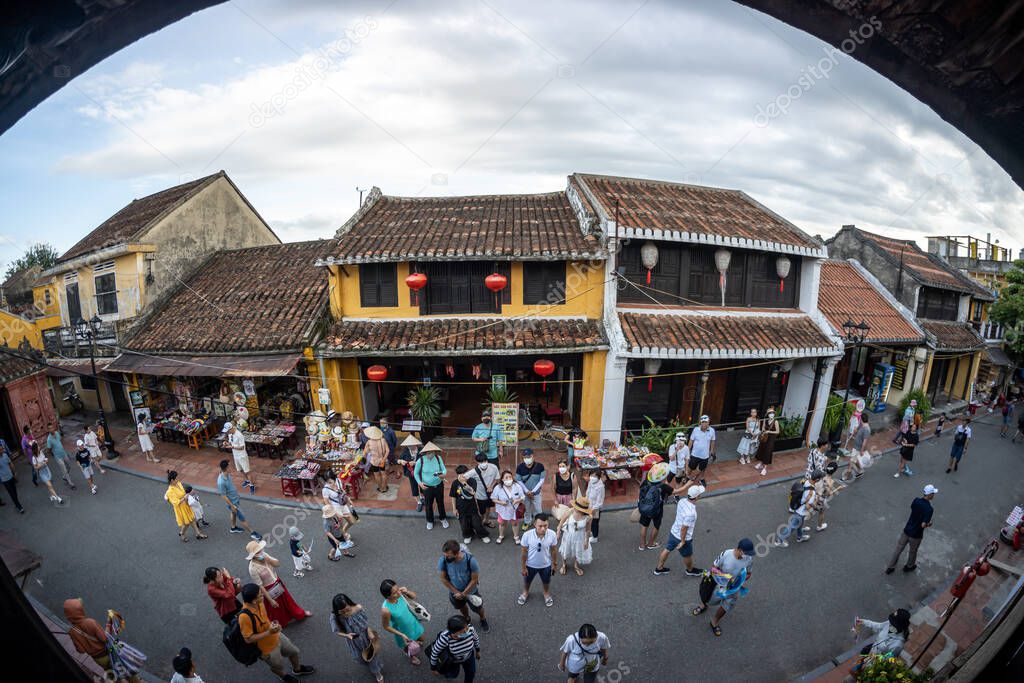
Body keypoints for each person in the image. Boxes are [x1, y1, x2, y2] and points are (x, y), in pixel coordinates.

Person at [237, 582, 315, 682]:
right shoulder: (244, 617)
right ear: (253, 601)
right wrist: (269, 632)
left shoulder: (259, 603)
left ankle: (297, 669)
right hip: (266, 649)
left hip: (276, 635)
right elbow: (248, 639)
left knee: (294, 652)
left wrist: (273, 626)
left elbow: (265, 619)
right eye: (260, 595)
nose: (263, 596)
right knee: (277, 666)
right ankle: (283, 676)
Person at [63, 598, 142, 683]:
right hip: (109, 652)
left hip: (98, 659)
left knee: (112, 673)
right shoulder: (90, 622)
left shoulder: (72, 632)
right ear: (80, 611)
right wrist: (108, 625)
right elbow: (104, 639)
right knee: (124, 668)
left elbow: (80, 650)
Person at [692, 538, 756, 637]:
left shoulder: (749, 559)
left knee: (727, 605)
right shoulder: (726, 554)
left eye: (749, 553)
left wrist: (740, 580)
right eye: (746, 553)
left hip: (733, 588)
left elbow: (748, 573)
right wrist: (726, 577)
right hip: (718, 583)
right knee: (707, 597)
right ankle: (703, 605)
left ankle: (714, 622)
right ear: (739, 549)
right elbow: (713, 568)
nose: (747, 555)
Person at [246, 540, 311, 625]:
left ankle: (299, 613)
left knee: (287, 600)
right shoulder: (252, 568)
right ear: (253, 555)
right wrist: (270, 600)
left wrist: (268, 559)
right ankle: (281, 622)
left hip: (277, 581)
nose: (261, 552)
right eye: (258, 552)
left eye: (260, 550)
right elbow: (260, 586)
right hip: (268, 588)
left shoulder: (265, 555)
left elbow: (277, 564)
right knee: (275, 607)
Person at [329, 593, 384, 682]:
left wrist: (369, 631)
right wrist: (347, 635)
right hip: (354, 641)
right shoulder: (334, 616)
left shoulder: (358, 608)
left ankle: (377, 672)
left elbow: (365, 623)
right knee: (360, 657)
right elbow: (336, 631)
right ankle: (371, 666)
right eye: (342, 612)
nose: (346, 613)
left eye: (347, 610)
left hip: (366, 637)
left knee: (371, 656)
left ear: (349, 603)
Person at [654, 482, 704, 576]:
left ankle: (659, 568)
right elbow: (684, 528)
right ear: (697, 497)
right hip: (682, 537)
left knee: (667, 549)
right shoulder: (691, 513)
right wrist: (683, 541)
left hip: (673, 532)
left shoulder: (682, 501)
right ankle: (690, 570)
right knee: (687, 555)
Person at [439, 539, 490, 632]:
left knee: (478, 608)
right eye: (445, 555)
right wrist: (456, 592)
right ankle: (467, 618)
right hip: (455, 592)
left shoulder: (471, 560)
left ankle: (483, 619)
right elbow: (443, 578)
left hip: (471, 591)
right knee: (461, 606)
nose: (446, 558)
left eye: (448, 556)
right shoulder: (444, 560)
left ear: (457, 553)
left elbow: (474, 579)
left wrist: (463, 593)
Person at [885, 485, 937, 574]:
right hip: (916, 535)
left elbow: (913, 509)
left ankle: (890, 567)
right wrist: (929, 524)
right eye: (933, 493)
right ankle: (909, 566)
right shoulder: (929, 509)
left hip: (907, 530)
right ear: (929, 495)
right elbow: (923, 525)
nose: (934, 495)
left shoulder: (916, 500)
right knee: (913, 551)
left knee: (898, 549)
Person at [849, 610, 911, 678]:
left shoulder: (898, 645)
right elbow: (878, 625)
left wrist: (872, 660)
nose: (890, 622)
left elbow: (887, 660)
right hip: (870, 653)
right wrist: (864, 622)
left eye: (893, 622)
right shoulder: (890, 623)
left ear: (899, 625)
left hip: (875, 665)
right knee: (854, 671)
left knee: (862, 676)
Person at [379, 579, 426, 666]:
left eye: (397, 588)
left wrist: (407, 591)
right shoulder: (386, 610)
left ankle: (415, 646)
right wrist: (401, 635)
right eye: (394, 592)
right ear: (387, 596)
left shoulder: (400, 594)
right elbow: (386, 626)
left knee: (422, 639)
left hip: (414, 623)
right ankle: (412, 657)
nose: (399, 593)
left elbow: (414, 597)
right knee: (409, 648)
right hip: (403, 632)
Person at [518, 513, 558, 607]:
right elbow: (524, 552)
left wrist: (554, 564)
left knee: (546, 581)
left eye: (545, 526)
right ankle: (525, 592)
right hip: (530, 565)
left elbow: (553, 550)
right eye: (540, 526)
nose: (543, 528)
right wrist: (523, 567)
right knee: (527, 581)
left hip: (546, 565)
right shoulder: (527, 535)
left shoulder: (552, 534)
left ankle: (546, 593)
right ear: (535, 524)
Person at [217, 459, 262, 540]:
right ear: (226, 468)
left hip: (235, 499)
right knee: (242, 518)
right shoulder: (221, 482)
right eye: (230, 466)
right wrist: (232, 506)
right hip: (233, 503)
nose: (231, 467)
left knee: (233, 513)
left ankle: (233, 528)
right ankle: (253, 533)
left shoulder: (226, 474)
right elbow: (223, 496)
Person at [637, 462, 677, 550]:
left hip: (645, 506)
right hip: (657, 509)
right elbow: (677, 491)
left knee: (644, 525)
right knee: (656, 525)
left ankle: (642, 545)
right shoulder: (663, 486)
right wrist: (688, 485)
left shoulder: (646, 481)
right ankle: (651, 544)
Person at [429, 614, 481, 681]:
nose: (466, 632)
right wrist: (433, 668)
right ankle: (446, 674)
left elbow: (476, 639)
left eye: (466, 628)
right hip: (453, 661)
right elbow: (435, 652)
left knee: (471, 673)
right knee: (452, 674)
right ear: (453, 632)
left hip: (469, 657)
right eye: (462, 631)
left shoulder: (470, 628)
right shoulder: (445, 637)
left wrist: (478, 650)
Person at [773, 476, 817, 548]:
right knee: (791, 527)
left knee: (800, 524)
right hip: (801, 512)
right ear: (817, 479)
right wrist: (814, 503)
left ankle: (800, 537)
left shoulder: (806, 481)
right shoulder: (812, 493)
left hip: (797, 507)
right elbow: (807, 507)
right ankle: (779, 540)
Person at [450, 465, 490, 544]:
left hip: (472, 507)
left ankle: (483, 535)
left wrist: (464, 483)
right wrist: (454, 508)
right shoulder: (455, 483)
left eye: (464, 473)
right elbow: (453, 496)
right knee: (464, 524)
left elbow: (472, 492)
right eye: (459, 474)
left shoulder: (472, 481)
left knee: (477, 523)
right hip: (461, 508)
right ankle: (468, 535)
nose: (461, 476)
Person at [414, 441, 449, 530]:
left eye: (432, 452)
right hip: (427, 487)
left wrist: (443, 474)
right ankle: (430, 521)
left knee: (440, 502)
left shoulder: (438, 458)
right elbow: (416, 473)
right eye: (429, 452)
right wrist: (420, 483)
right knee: (428, 505)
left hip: (438, 485)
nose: (431, 454)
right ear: (425, 453)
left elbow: (444, 469)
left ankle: (443, 518)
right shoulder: (420, 460)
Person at [556, 496, 593, 576]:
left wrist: (586, 541)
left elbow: (588, 530)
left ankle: (576, 565)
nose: (575, 508)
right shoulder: (571, 511)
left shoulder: (588, 517)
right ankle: (564, 564)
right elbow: (561, 522)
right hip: (568, 535)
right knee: (566, 549)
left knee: (577, 550)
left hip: (580, 537)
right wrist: (558, 531)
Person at [165, 471, 207, 542]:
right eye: (176, 478)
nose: (178, 479)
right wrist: (185, 497)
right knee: (186, 523)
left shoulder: (178, 483)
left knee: (192, 519)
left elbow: (184, 492)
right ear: (172, 480)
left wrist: (189, 494)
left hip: (186, 505)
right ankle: (182, 534)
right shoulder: (170, 491)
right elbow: (176, 503)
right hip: (181, 508)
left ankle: (198, 534)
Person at [491, 470, 526, 544]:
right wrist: (501, 502)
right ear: (502, 479)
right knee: (502, 523)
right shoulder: (498, 487)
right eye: (506, 477)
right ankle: (501, 536)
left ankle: (516, 537)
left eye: (510, 477)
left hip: (514, 509)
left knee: (515, 523)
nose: (508, 479)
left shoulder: (517, 486)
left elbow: (523, 497)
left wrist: (517, 500)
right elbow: (493, 498)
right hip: (502, 510)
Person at [515, 449, 546, 530]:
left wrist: (533, 491)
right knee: (527, 509)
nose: (527, 458)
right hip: (525, 494)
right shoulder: (520, 467)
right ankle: (527, 522)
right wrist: (526, 491)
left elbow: (542, 480)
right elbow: (518, 480)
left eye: (529, 456)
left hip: (536, 493)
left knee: (538, 509)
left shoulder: (540, 466)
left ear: (533, 456)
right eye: (525, 457)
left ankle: (538, 523)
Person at [322, 475, 358, 543]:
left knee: (352, 521)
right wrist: (335, 513)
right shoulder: (325, 489)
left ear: (334, 479)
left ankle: (343, 532)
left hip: (343, 505)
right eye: (327, 482)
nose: (329, 484)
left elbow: (342, 491)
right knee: (340, 526)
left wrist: (348, 499)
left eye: (330, 482)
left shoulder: (338, 481)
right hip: (335, 508)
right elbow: (326, 502)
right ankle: (344, 538)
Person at [222, 422, 254, 494]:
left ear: (231, 429)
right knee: (240, 470)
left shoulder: (239, 435)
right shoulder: (230, 435)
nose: (227, 433)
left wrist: (232, 447)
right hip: (235, 455)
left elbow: (242, 447)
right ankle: (247, 481)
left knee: (247, 471)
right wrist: (226, 443)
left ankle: (252, 485)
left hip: (242, 456)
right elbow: (231, 443)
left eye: (227, 431)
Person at [471, 452, 500, 527]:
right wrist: (471, 490)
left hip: (490, 493)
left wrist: (491, 486)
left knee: (488, 507)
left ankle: (486, 521)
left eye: (484, 461)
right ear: (477, 462)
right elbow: (464, 478)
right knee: (481, 511)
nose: (483, 463)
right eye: (481, 462)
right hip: (480, 495)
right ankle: (480, 523)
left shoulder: (494, 467)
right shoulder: (474, 471)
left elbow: (497, 479)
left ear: (487, 460)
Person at [687, 415, 716, 484]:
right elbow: (691, 441)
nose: (704, 424)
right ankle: (687, 476)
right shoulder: (696, 430)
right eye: (703, 422)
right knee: (691, 467)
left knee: (703, 468)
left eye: (706, 422)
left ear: (709, 423)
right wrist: (687, 451)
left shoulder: (712, 430)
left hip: (705, 455)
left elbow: (713, 441)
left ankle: (701, 478)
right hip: (695, 454)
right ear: (700, 423)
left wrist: (711, 450)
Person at [46, 425, 76, 489]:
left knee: (69, 466)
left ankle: (64, 477)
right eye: (50, 428)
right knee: (64, 469)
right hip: (58, 457)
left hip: (63, 453)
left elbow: (60, 440)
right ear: (48, 430)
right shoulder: (49, 439)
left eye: (52, 427)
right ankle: (70, 483)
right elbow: (48, 449)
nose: (52, 429)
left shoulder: (57, 433)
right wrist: (53, 454)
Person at [398, 434, 423, 510]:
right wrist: (401, 461)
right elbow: (398, 460)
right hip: (411, 473)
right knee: (414, 487)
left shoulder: (421, 450)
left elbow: (424, 461)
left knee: (422, 485)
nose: (409, 447)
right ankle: (419, 502)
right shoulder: (405, 451)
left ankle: (422, 497)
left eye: (411, 445)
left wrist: (415, 463)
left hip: (420, 472)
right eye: (408, 445)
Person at [363, 425, 390, 495]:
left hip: (374, 461)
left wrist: (365, 457)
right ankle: (384, 488)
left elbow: (365, 452)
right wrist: (384, 459)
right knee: (383, 474)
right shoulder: (383, 440)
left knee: (377, 475)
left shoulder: (369, 442)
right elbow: (388, 451)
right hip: (382, 460)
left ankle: (380, 487)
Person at [0, 445, 25, 512]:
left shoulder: (5, 455)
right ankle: (19, 506)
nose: (2, 450)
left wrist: (14, 473)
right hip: (5, 480)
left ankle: (16, 502)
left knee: (14, 491)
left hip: (11, 476)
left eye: (2, 449)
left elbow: (10, 464)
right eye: (1, 449)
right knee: (11, 493)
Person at [754, 408, 779, 476]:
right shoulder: (765, 420)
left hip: (771, 438)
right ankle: (761, 463)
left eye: (773, 413)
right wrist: (763, 431)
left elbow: (777, 431)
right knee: (762, 450)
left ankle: (765, 468)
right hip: (765, 437)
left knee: (768, 451)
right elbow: (763, 428)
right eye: (770, 413)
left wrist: (769, 431)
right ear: (767, 415)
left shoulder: (775, 421)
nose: (771, 414)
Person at [584, 469, 605, 543]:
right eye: (591, 475)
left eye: (594, 476)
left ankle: (595, 537)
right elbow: (588, 491)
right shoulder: (591, 482)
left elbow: (600, 500)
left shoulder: (600, 486)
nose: (592, 477)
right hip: (589, 504)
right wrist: (586, 499)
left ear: (598, 477)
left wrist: (594, 509)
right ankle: (591, 531)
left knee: (594, 522)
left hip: (596, 508)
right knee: (589, 520)